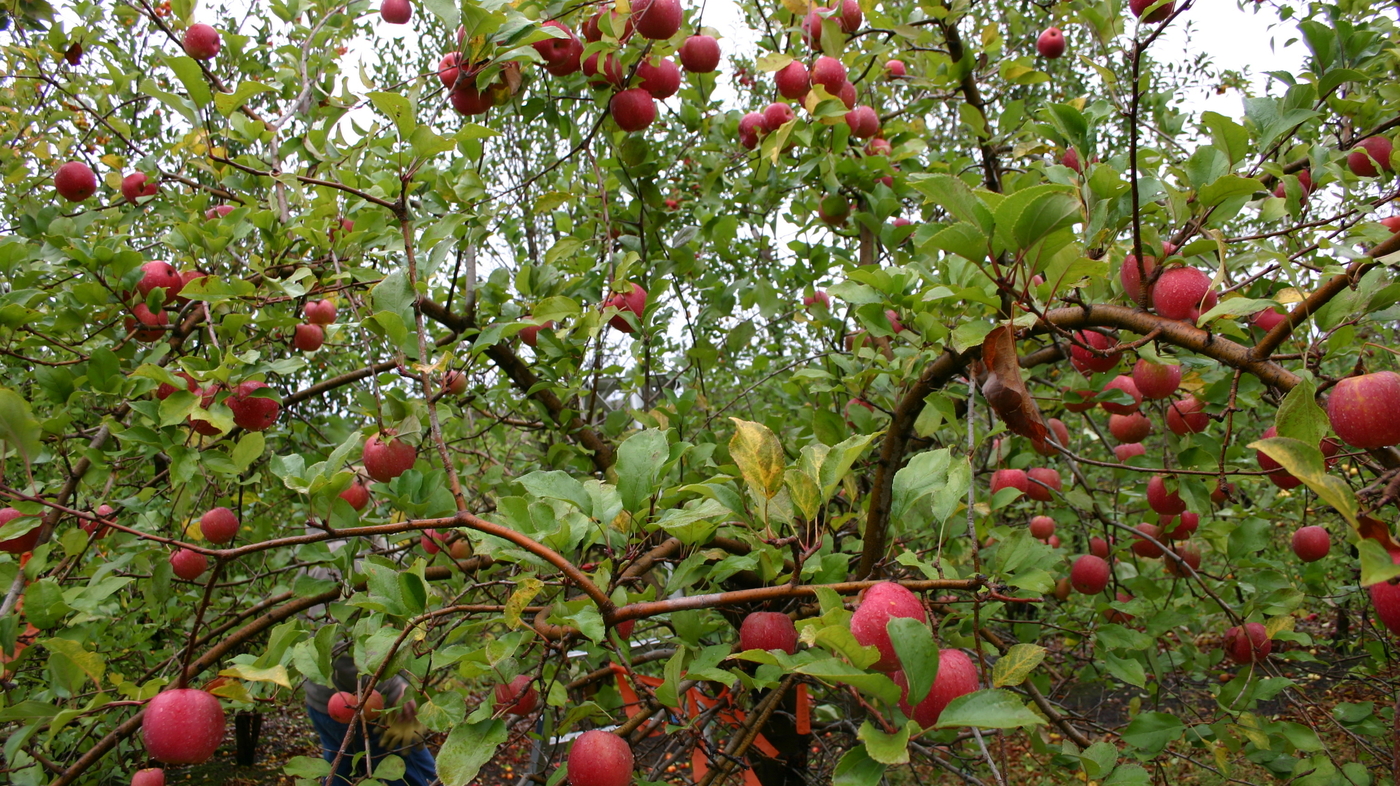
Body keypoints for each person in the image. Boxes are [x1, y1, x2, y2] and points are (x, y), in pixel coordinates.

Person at [304, 654, 436, 786]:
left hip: (322, 702)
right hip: (366, 711)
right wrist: (394, 687)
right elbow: (344, 656)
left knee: (340, 771)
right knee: (418, 774)